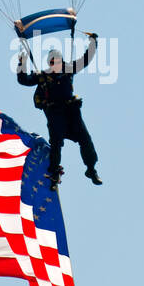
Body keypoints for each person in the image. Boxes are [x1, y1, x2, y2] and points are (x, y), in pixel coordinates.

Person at [17, 32, 101, 189]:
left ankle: (91, 168)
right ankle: (54, 173)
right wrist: (22, 63)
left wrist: (93, 42)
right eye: (52, 61)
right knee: (56, 143)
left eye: (58, 61)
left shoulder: (68, 70)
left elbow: (86, 59)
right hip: (56, 114)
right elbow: (24, 80)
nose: (56, 64)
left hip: (71, 113)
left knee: (85, 140)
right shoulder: (42, 76)